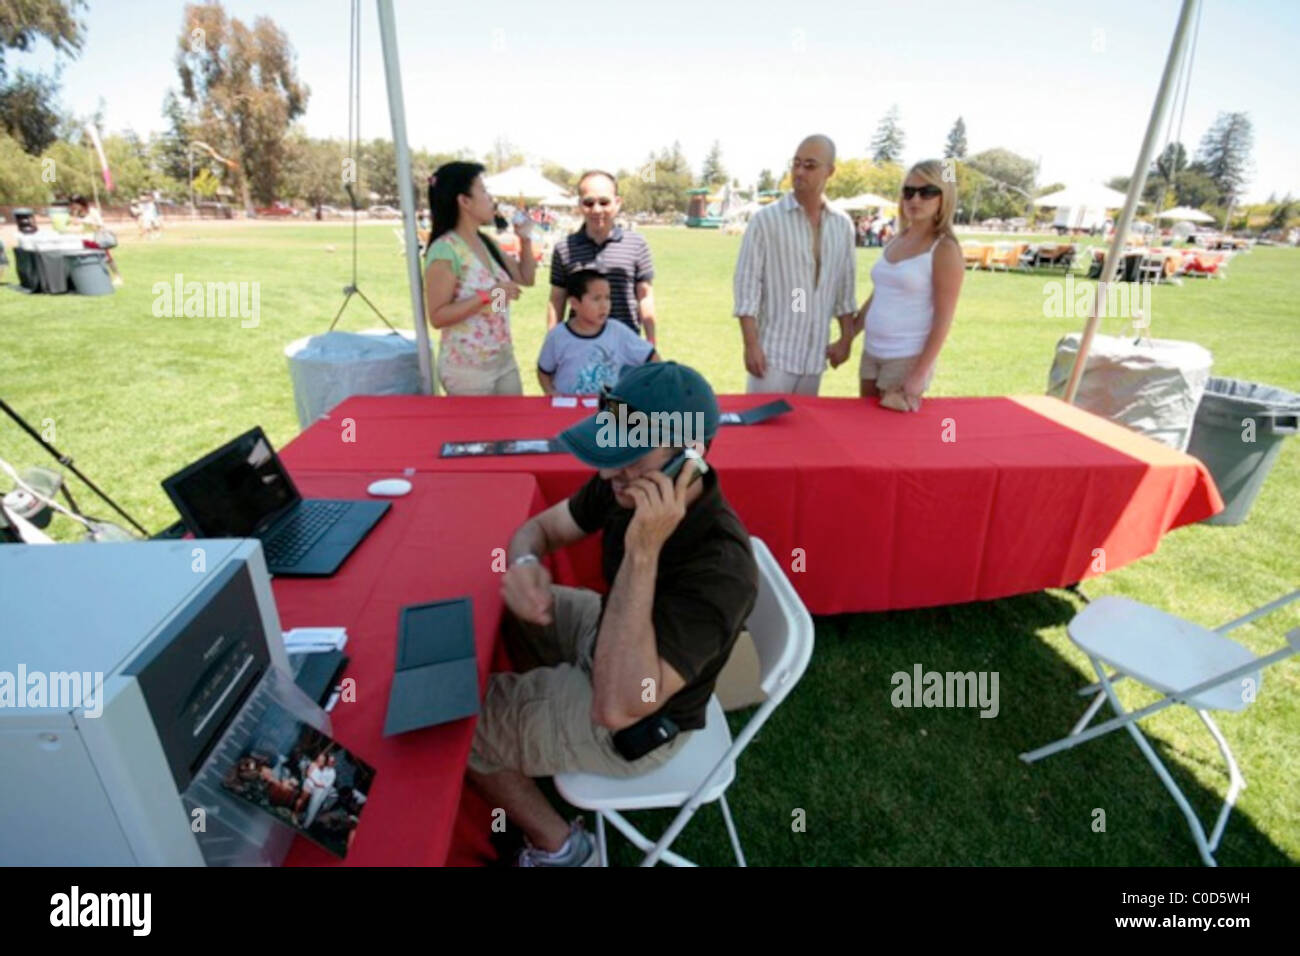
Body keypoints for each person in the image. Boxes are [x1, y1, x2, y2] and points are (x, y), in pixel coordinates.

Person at [466, 361, 758, 867]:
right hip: (611, 640)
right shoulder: (631, 480)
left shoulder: (721, 569)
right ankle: (541, 735)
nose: (606, 473)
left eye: (627, 458)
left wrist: (644, 548)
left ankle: (565, 850)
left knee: (462, 721)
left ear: (690, 458)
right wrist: (527, 563)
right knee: (510, 606)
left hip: (640, 714)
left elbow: (620, 707)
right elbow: (538, 531)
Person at [733, 134, 857, 396]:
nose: (800, 172)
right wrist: (751, 345)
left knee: (803, 436)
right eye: (796, 163)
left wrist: (846, 339)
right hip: (772, 358)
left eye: (810, 165)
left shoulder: (842, 225)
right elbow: (746, 287)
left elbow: (845, 287)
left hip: (814, 360)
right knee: (762, 435)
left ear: (830, 171)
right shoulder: (765, 221)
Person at [851, 159, 964, 411]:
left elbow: (944, 319)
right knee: (865, 429)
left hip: (906, 359)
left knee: (891, 442)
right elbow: (879, 294)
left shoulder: (944, 249)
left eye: (927, 192)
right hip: (872, 353)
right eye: (909, 191)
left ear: (943, 197)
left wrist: (919, 374)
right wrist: (849, 337)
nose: (915, 199)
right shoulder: (897, 238)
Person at [423, 161, 536, 395]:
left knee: (512, 428)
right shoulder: (446, 250)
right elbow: (437, 316)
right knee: (479, 433)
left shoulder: (485, 242)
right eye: (483, 191)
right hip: (467, 369)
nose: (491, 198)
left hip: (503, 359)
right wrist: (488, 296)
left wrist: (525, 239)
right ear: (464, 201)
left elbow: (526, 277)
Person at [547, 171, 657, 345]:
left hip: (626, 345)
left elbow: (644, 296)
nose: (596, 209)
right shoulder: (564, 248)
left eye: (604, 202)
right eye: (589, 203)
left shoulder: (637, 244)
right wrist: (552, 342)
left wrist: (651, 341)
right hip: (579, 346)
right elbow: (557, 300)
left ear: (617, 203)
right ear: (580, 204)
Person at [537, 268, 658, 395]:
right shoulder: (558, 336)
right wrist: (550, 392)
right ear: (574, 303)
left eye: (607, 298)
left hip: (608, 409)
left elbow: (652, 358)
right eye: (596, 299)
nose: (604, 305)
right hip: (569, 410)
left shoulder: (618, 332)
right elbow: (544, 372)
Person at [68, 196, 123, 286]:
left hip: (96, 238)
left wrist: (83, 222)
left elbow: (100, 225)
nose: (74, 207)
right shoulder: (76, 213)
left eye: (75, 205)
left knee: (107, 258)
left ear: (81, 203)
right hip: (83, 239)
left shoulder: (92, 212)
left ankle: (117, 276)